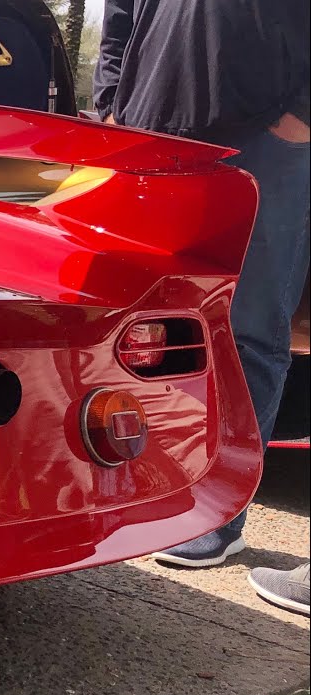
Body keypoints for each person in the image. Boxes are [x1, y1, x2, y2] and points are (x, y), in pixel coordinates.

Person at [94, 0, 309, 615]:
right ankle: (131, 493)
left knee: (249, 336)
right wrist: (111, 101)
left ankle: (211, 518)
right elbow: (119, 16)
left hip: (265, 142)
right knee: (138, 328)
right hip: (151, 137)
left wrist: (302, 116)